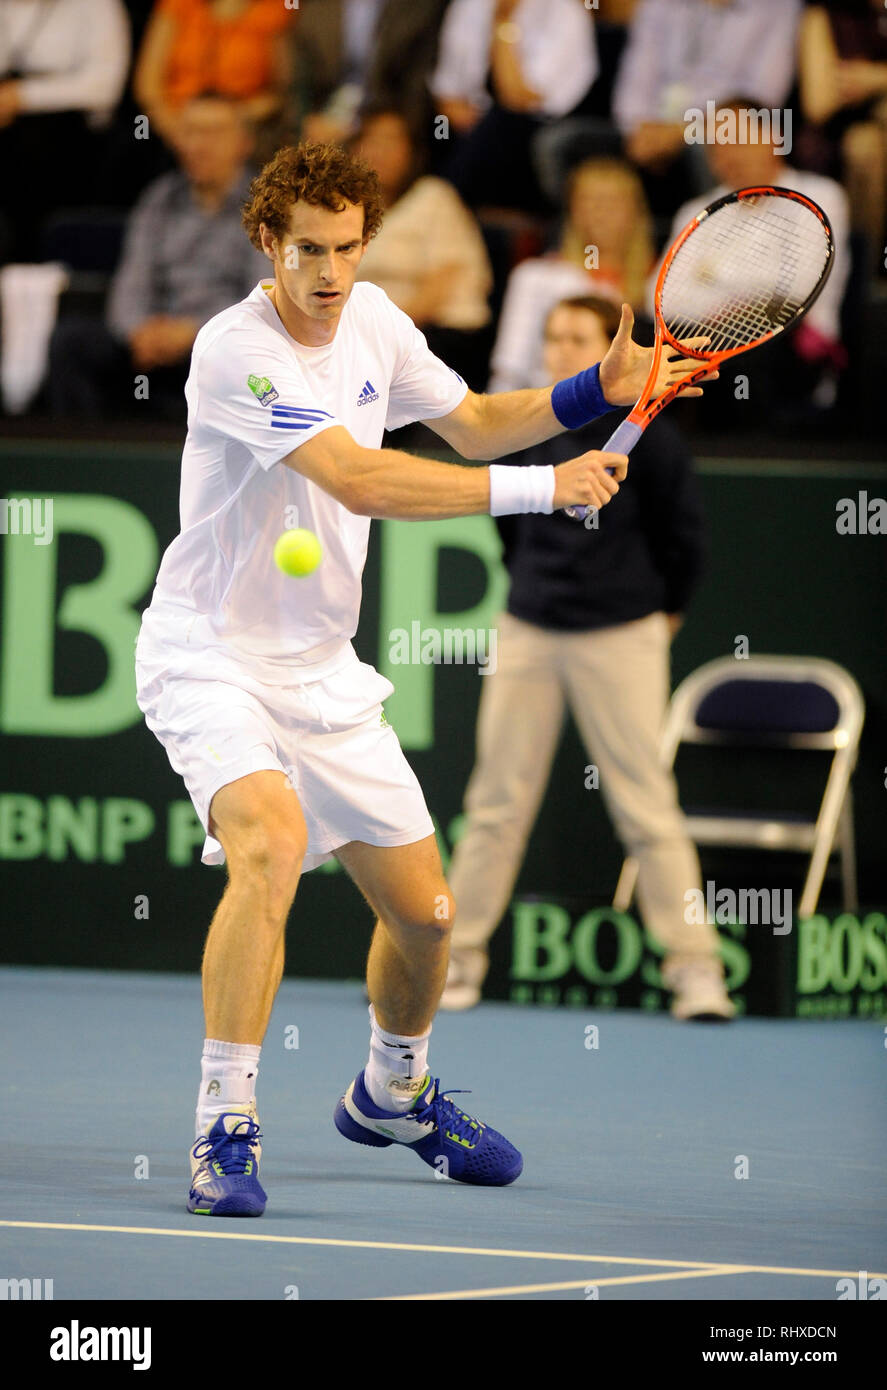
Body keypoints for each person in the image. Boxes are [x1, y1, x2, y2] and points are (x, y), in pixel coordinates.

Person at [133, 140, 713, 1216]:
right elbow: (357, 478)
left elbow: (473, 423)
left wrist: (595, 389)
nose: (330, 272)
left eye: (348, 248)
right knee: (270, 846)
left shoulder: (374, 319)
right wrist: (544, 489)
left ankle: (393, 1093)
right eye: (308, 250)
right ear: (267, 242)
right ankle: (224, 1126)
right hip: (208, 654)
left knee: (430, 918)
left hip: (322, 670)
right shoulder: (232, 350)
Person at [442, 296, 732, 1020]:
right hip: (529, 628)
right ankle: (455, 963)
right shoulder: (523, 428)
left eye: (579, 337)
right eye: (553, 336)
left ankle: (696, 970)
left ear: (611, 348)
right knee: (494, 804)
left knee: (646, 806)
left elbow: (685, 542)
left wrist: (656, 614)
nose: (562, 348)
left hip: (621, 634)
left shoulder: (655, 440)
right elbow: (510, 533)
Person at [48, 93, 266, 421]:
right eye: (190, 132)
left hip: (219, 341)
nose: (198, 145)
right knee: (71, 342)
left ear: (244, 143)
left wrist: (191, 332)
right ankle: (89, 449)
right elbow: (132, 281)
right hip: (148, 340)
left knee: (239, 357)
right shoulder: (159, 198)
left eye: (213, 132)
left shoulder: (265, 205)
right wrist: (138, 330)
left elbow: (261, 295)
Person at [663, 97, 850, 420]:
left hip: (790, 353)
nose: (729, 154)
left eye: (739, 139)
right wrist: (731, 307)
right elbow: (663, 300)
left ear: (774, 137)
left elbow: (796, 291)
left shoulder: (822, 195)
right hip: (704, 349)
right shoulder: (694, 210)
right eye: (717, 146)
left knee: (749, 351)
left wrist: (714, 275)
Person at [612, 0, 802, 216]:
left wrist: (684, 129)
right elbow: (634, 82)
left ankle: (723, 213)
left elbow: (762, 96)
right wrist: (639, 126)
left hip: (721, 124)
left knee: (724, 139)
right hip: (651, 129)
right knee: (595, 143)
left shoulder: (779, 6)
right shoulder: (658, 5)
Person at [350, 107, 493, 389]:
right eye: (372, 140)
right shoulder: (346, 209)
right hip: (369, 338)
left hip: (438, 335)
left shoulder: (433, 196)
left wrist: (384, 335)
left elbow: (442, 283)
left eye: (391, 141)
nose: (380, 151)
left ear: (411, 152)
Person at [489, 158, 654, 393]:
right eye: (588, 201)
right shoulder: (536, 277)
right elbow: (509, 369)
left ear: (636, 211)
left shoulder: (659, 280)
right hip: (548, 403)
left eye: (612, 202)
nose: (600, 213)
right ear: (572, 210)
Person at [429, 0, 598, 213]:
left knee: (500, 124)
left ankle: (438, 201)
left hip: (536, 126)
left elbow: (517, 96)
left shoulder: (566, 13)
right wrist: (455, 111)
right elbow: (446, 86)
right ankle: (435, 199)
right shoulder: (469, 5)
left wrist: (503, 23)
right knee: (437, 126)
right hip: (473, 122)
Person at [0, 0, 130, 262]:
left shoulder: (98, 6)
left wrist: (23, 97)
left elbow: (104, 88)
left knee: (35, 143)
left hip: (71, 137)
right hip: (8, 127)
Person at [797, 0, 887, 273]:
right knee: (863, 147)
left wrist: (874, 77)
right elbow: (818, 103)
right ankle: (864, 273)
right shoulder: (827, 14)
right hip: (840, 133)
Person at [133, 0, 293, 150]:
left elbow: (280, 91)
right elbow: (148, 86)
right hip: (177, 130)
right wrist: (179, 132)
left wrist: (230, 124)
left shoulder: (274, 10)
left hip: (246, 133)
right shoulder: (178, 5)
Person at [288, 0, 448, 145]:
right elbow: (297, 83)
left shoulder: (420, 8)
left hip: (388, 118)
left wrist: (387, 128)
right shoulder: (315, 8)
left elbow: (418, 85)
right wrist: (307, 119)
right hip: (324, 116)